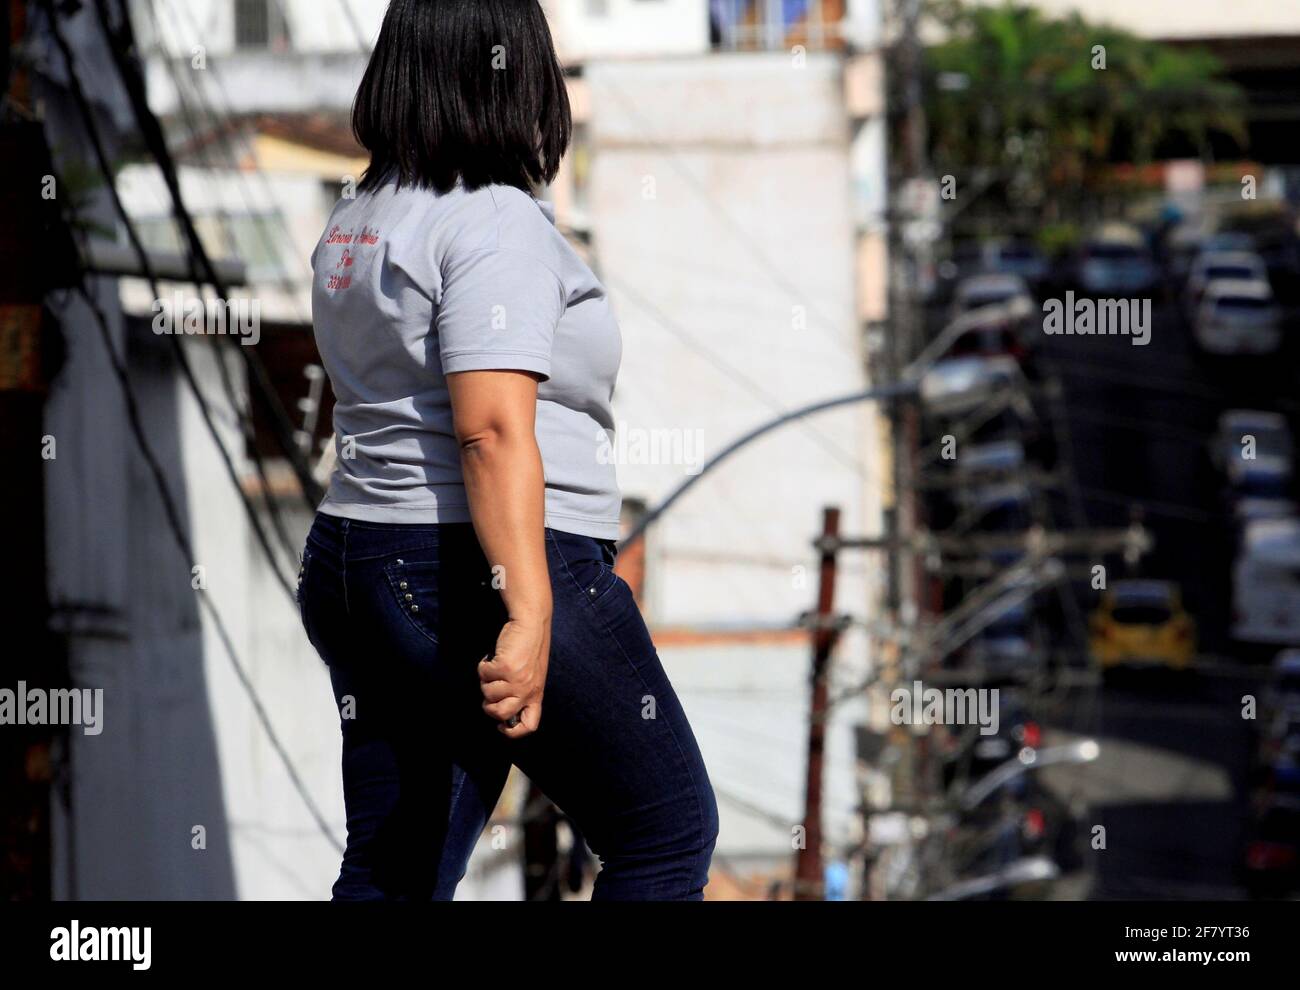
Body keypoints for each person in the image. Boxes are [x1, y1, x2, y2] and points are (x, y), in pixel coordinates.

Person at [297, 0, 718, 901]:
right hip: (476, 563)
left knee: (393, 866)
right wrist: (527, 612)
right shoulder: (492, 223)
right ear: (512, 70)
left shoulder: (358, 220)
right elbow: (489, 430)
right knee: (664, 831)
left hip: (355, 559)